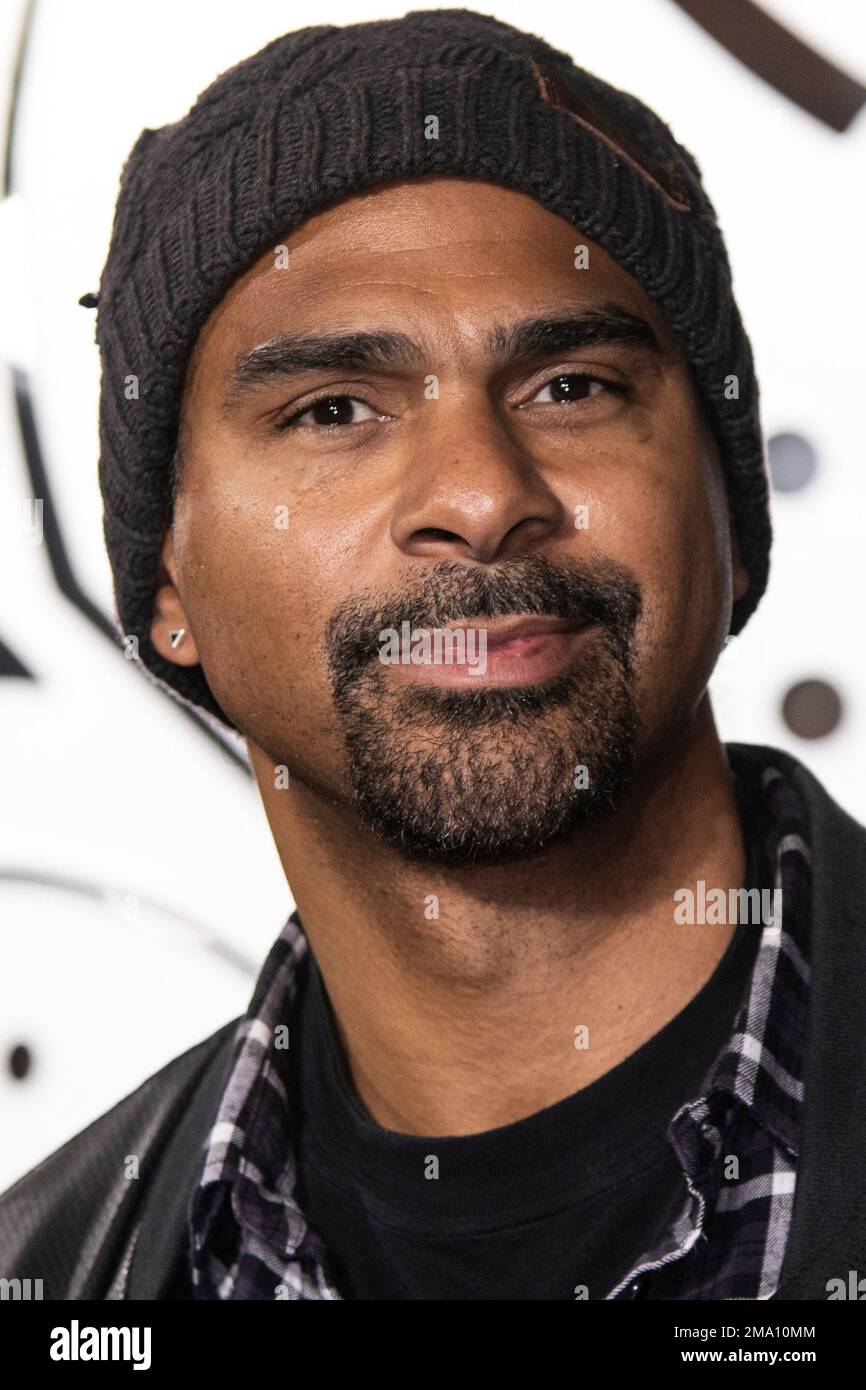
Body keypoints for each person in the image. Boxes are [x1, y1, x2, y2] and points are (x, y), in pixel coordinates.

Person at [2, 7, 865, 1302]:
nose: (476, 491)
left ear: (724, 515)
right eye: (332, 409)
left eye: (569, 385)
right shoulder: (58, 1279)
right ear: (166, 586)